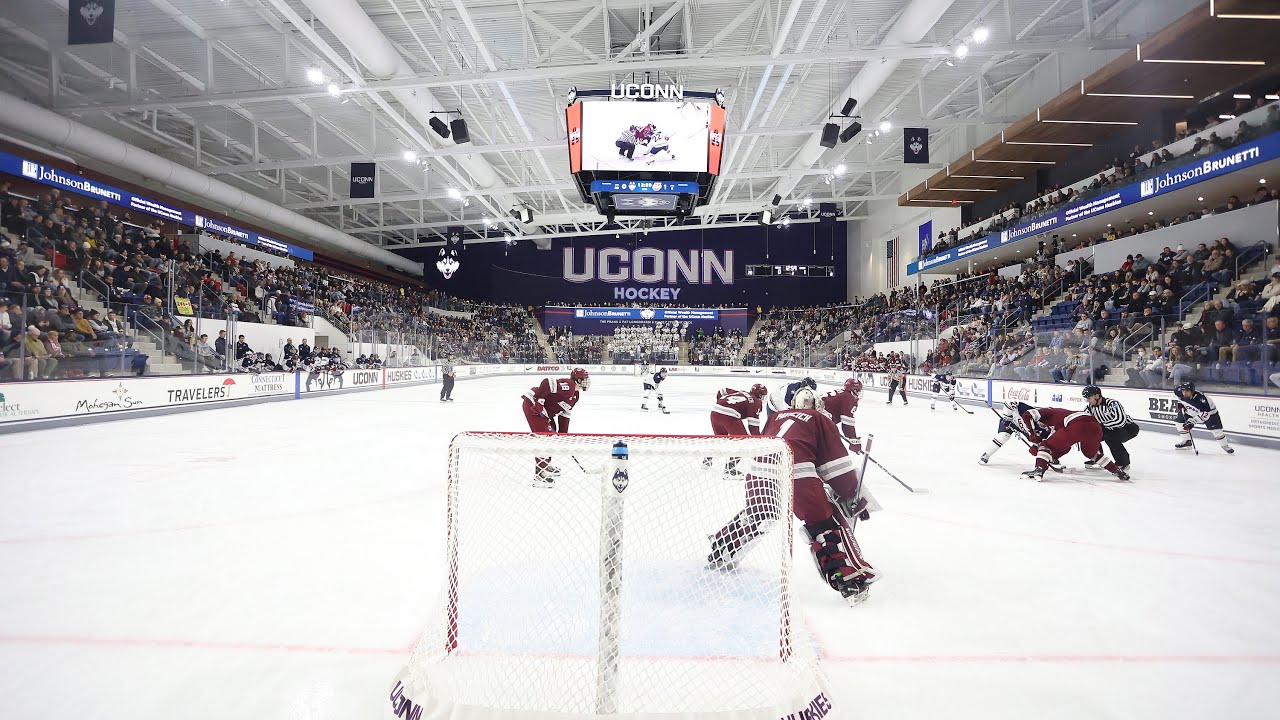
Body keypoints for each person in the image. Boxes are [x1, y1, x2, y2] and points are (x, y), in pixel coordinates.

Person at [707, 386, 878, 604]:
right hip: (797, 474)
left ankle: (721, 549)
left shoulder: (776, 416)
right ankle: (849, 581)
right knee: (824, 524)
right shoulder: (819, 419)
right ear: (816, 405)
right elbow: (836, 467)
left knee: (760, 514)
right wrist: (851, 494)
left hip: (758, 472)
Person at [1018, 404, 1130, 482]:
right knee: (1092, 454)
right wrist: (1046, 455)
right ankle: (1117, 471)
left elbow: (1027, 415)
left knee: (1046, 445)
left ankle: (1039, 470)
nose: (1043, 427)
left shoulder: (1048, 412)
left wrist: (1033, 434)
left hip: (1077, 424)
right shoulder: (1058, 423)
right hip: (1095, 426)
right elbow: (1063, 447)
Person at [521, 367, 591, 487]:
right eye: (584, 379)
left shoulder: (575, 396)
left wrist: (563, 434)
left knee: (552, 437)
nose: (587, 381)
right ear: (577, 380)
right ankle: (539, 475)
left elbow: (564, 414)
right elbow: (547, 382)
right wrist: (539, 401)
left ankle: (545, 465)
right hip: (533, 406)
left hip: (545, 413)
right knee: (546, 438)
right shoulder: (569, 386)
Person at [705, 384, 768, 479]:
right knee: (743, 442)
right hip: (729, 416)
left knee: (720, 439)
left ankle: (707, 461)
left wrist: (721, 403)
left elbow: (722, 391)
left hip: (715, 412)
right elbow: (753, 427)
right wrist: (759, 440)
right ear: (760, 395)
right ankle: (730, 470)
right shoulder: (756, 402)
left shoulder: (742, 392)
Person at [1083, 385, 1139, 472]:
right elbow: (1084, 419)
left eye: (1089, 398)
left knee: (1111, 438)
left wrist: (1101, 426)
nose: (1087, 401)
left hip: (1128, 428)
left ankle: (1123, 463)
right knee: (1091, 435)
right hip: (1109, 428)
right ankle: (1098, 458)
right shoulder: (1090, 408)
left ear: (1097, 396)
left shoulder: (1112, 403)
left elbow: (1120, 421)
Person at [1172, 382, 1233, 454]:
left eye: (1187, 391)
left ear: (1192, 391)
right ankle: (1187, 441)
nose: (1184, 393)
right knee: (1179, 421)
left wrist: (1192, 422)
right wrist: (1180, 403)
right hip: (1190, 410)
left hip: (1210, 413)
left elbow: (1206, 415)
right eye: (1183, 391)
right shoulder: (1178, 391)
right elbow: (1177, 396)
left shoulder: (1201, 400)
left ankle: (1225, 445)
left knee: (1216, 431)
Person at [818, 378, 863, 452]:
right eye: (858, 390)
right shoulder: (850, 398)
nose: (859, 393)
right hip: (819, 418)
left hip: (812, 413)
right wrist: (853, 439)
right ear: (854, 390)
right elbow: (847, 422)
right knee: (831, 448)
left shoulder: (842, 393)